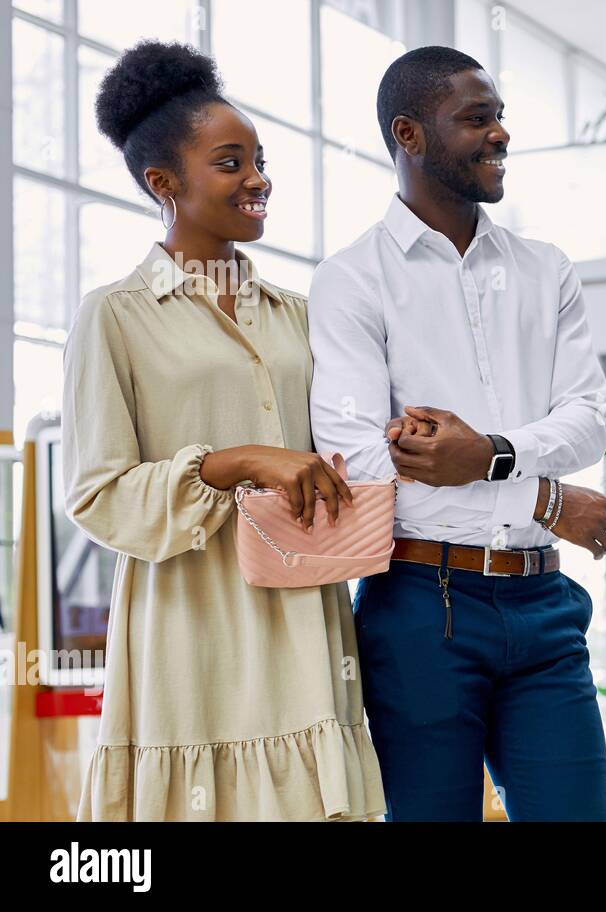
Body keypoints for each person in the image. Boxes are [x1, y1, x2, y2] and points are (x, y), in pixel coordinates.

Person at [308, 47, 606, 822]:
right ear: (409, 134)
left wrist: (485, 455)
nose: (500, 136)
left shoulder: (544, 269)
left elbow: (588, 418)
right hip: (422, 604)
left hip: (543, 604)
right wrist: (550, 497)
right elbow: (362, 458)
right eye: (476, 119)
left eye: (500, 117)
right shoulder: (352, 279)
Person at [64, 41, 385, 821]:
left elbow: (339, 447)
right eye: (231, 163)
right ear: (163, 184)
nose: (258, 179)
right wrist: (237, 462)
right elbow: (96, 494)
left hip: (303, 608)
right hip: (191, 620)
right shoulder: (114, 316)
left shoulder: (299, 317)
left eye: (259, 160)